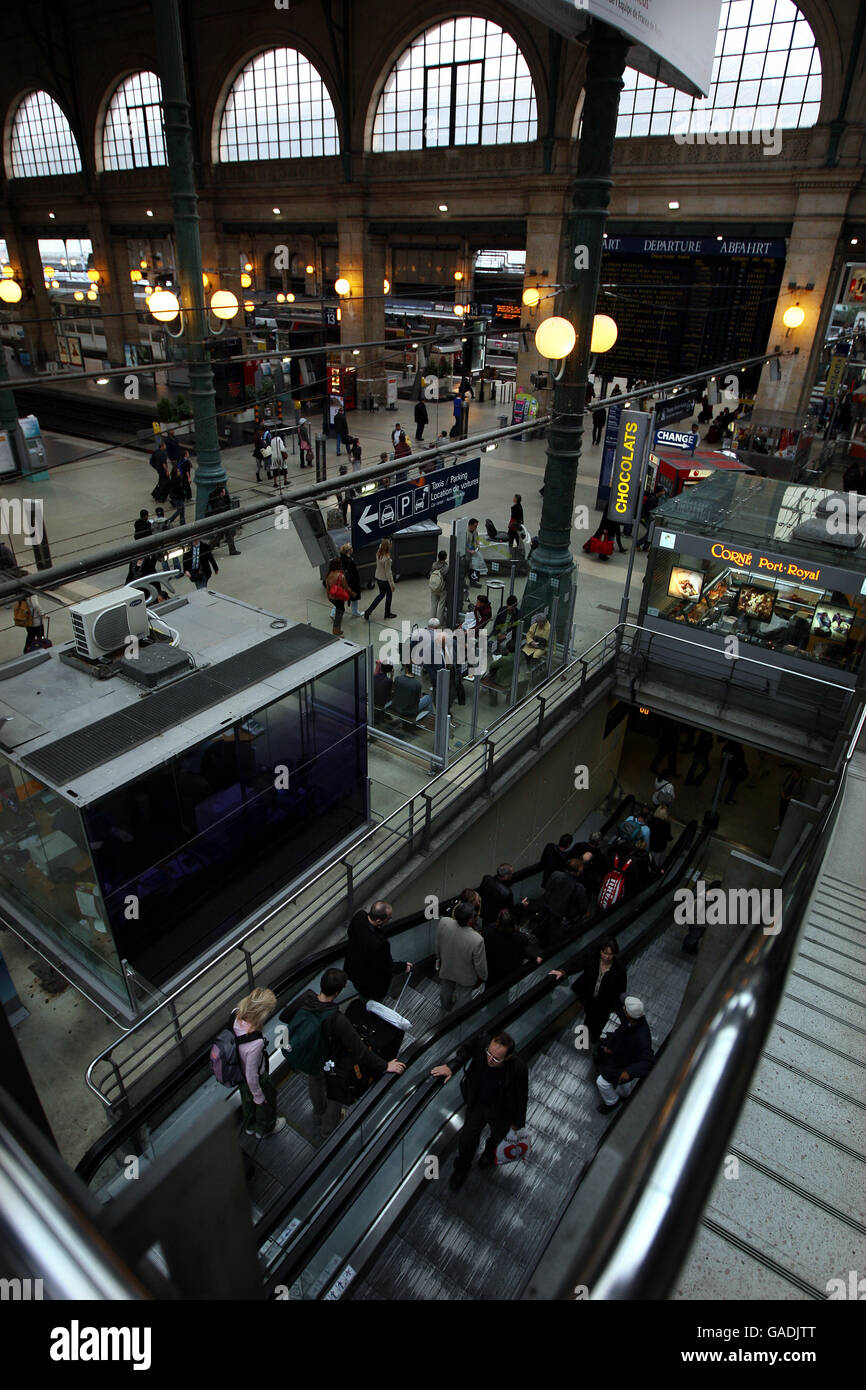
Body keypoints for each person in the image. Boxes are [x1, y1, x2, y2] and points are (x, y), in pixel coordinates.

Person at [280, 968, 405, 1138]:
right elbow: (360, 1051)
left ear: (322, 984)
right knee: (335, 1094)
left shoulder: (306, 998)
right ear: (338, 992)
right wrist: (385, 1065)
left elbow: (284, 1016)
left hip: (308, 1058)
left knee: (315, 1081)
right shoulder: (336, 1019)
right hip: (329, 1061)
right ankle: (327, 1130)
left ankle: (318, 1112)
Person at [432, 1029, 528, 1192]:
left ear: (508, 1057)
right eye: (488, 1054)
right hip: (477, 1103)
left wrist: (517, 1122)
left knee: (497, 1135)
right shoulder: (482, 1041)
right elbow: (466, 1050)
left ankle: (490, 1153)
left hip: (501, 1110)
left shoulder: (518, 1068)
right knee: (467, 1138)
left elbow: (521, 1095)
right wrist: (452, 1066)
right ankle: (462, 1168)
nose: (490, 1060)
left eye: (496, 1059)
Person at [232, 987, 287, 1137]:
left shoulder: (236, 1014)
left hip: (239, 1074)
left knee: (247, 1104)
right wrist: (260, 1097)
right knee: (265, 1106)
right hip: (257, 1079)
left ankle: (250, 1126)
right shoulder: (256, 1043)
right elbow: (252, 1075)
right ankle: (265, 1129)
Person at [550, 936, 627, 1042]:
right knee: (588, 1019)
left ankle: (594, 1039)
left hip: (605, 1004)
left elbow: (621, 988)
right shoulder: (593, 959)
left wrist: (616, 1006)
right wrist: (564, 971)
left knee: (599, 1023)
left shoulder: (619, 968)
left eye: (610, 954)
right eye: (605, 953)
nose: (607, 957)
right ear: (600, 951)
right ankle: (585, 1038)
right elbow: (578, 963)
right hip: (590, 999)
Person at [344, 899, 411, 1002]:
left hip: (354, 972)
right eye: (389, 918)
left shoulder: (359, 916)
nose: (390, 919)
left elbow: (350, 933)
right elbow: (387, 966)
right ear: (379, 921)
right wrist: (403, 966)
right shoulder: (379, 943)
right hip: (371, 984)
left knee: (362, 996)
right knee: (372, 1001)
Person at [595, 997, 654, 1113]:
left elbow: (648, 1061)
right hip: (623, 1057)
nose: (623, 1009)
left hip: (624, 1062)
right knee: (624, 1084)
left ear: (629, 1015)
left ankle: (612, 1102)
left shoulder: (642, 1037)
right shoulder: (634, 1022)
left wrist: (629, 1072)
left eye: (625, 1009)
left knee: (602, 1082)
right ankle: (625, 1095)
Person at [437, 900, 488, 1012]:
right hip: (465, 976)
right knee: (463, 999)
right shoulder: (477, 939)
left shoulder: (444, 922)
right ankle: (457, 1018)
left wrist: (440, 959)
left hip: (447, 967)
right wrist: (483, 977)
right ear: (470, 920)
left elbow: (439, 944)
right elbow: (479, 964)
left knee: (445, 990)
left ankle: (445, 1008)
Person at [482, 908, 540, 983]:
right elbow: (523, 952)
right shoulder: (519, 937)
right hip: (508, 970)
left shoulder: (488, 930)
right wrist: (535, 957)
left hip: (491, 967)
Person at [363, 539, 397, 621]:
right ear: (388, 547)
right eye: (390, 544)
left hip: (378, 577)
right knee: (389, 595)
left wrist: (384, 543)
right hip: (385, 579)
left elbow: (381, 546)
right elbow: (388, 572)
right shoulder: (387, 558)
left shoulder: (378, 552)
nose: (391, 545)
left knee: (381, 595)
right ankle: (387, 614)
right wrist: (392, 584)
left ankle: (368, 611)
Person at [206, 484, 241, 555]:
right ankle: (232, 550)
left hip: (222, 521)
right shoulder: (220, 502)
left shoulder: (218, 499)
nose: (225, 492)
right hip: (224, 521)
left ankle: (208, 549)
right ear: (221, 493)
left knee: (221, 535)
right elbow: (223, 511)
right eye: (224, 491)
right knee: (227, 535)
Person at [325, 556, 353, 636]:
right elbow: (346, 587)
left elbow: (328, 587)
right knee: (339, 614)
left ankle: (338, 630)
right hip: (338, 598)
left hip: (332, 597)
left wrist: (329, 597)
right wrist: (352, 593)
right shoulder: (341, 575)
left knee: (339, 611)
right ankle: (335, 632)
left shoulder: (329, 575)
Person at [775, 765, 804, 830]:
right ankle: (780, 824)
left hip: (792, 801)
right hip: (784, 798)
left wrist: (792, 797)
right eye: (793, 773)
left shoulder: (802, 782)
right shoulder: (789, 776)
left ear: (799, 774)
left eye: (795, 773)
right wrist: (782, 793)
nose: (793, 774)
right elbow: (782, 784)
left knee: (788, 814)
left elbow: (801, 795)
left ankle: (784, 826)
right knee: (781, 812)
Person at [720, 739, 748, 804]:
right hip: (733, 771)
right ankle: (728, 799)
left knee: (721, 782)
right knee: (733, 785)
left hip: (725, 769)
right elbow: (741, 763)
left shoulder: (727, 747)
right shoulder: (740, 752)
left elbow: (723, 755)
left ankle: (717, 796)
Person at [339, 542, 361, 618]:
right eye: (351, 548)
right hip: (351, 582)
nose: (352, 549)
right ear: (349, 551)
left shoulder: (342, 558)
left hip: (344, 580)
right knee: (353, 597)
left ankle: (333, 612)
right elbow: (352, 572)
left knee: (342, 596)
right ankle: (355, 612)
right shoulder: (350, 561)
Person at [428, 550, 449, 622]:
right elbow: (447, 578)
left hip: (433, 587)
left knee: (433, 604)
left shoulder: (434, 564)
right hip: (442, 588)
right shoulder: (446, 567)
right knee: (441, 605)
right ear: (445, 557)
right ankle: (439, 621)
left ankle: (432, 620)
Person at [465, 518, 486, 586]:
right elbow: (463, 545)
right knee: (466, 568)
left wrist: (478, 544)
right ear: (470, 525)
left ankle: (473, 581)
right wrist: (469, 551)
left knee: (474, 567)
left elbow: (477, 539)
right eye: (475, 526)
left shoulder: (475, 531)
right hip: (467, 554)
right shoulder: (466, 533)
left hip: (474, 553)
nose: (476, 527)